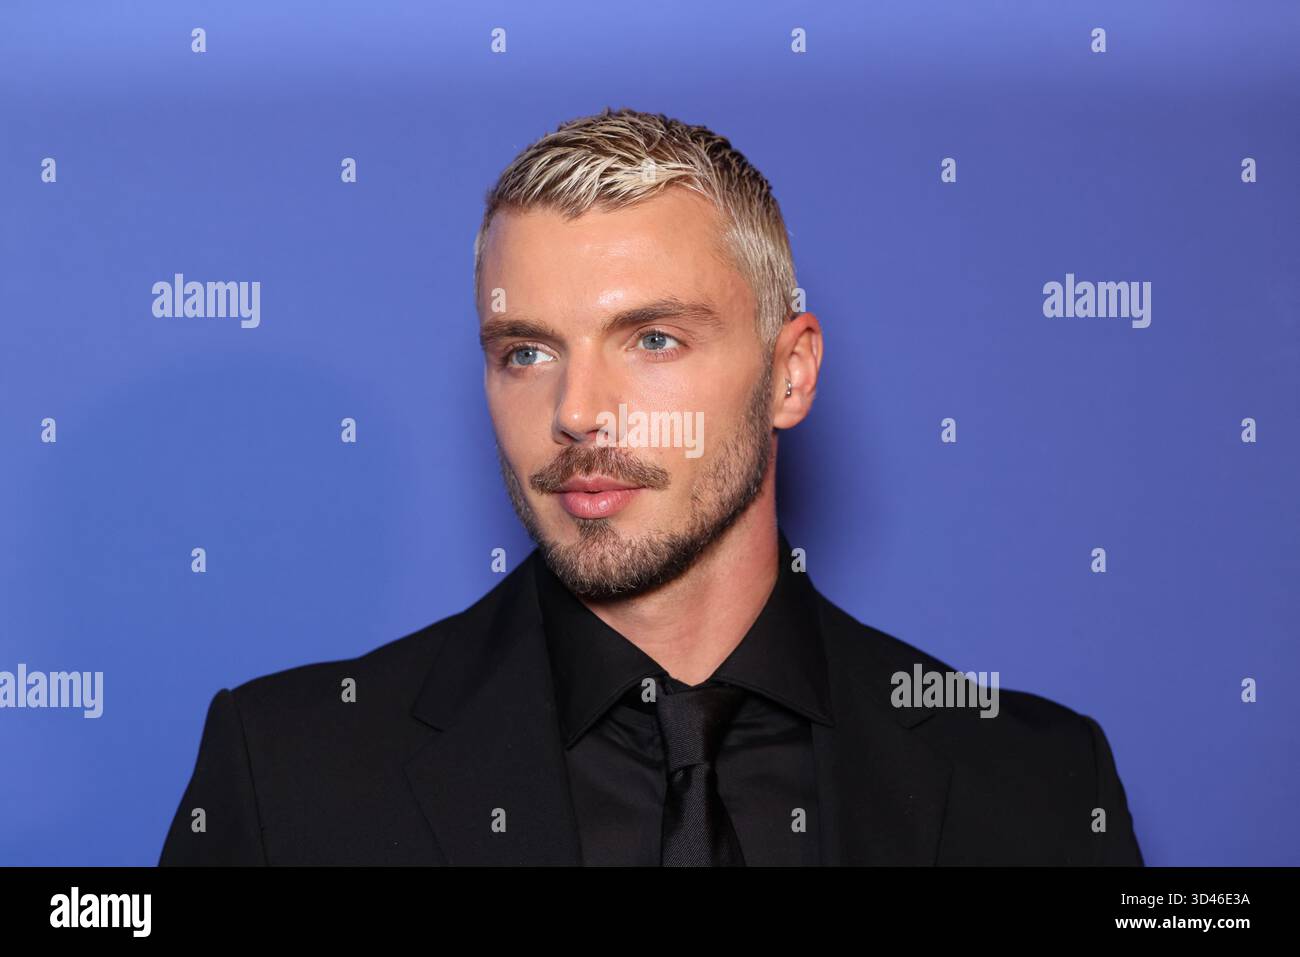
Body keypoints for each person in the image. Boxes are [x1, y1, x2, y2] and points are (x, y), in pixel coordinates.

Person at [159, 107, 1142, 866]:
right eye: (525, 351)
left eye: (653, 339)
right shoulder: (291, 772)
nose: (577, 410)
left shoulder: (1033, 782)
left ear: (789, 373)